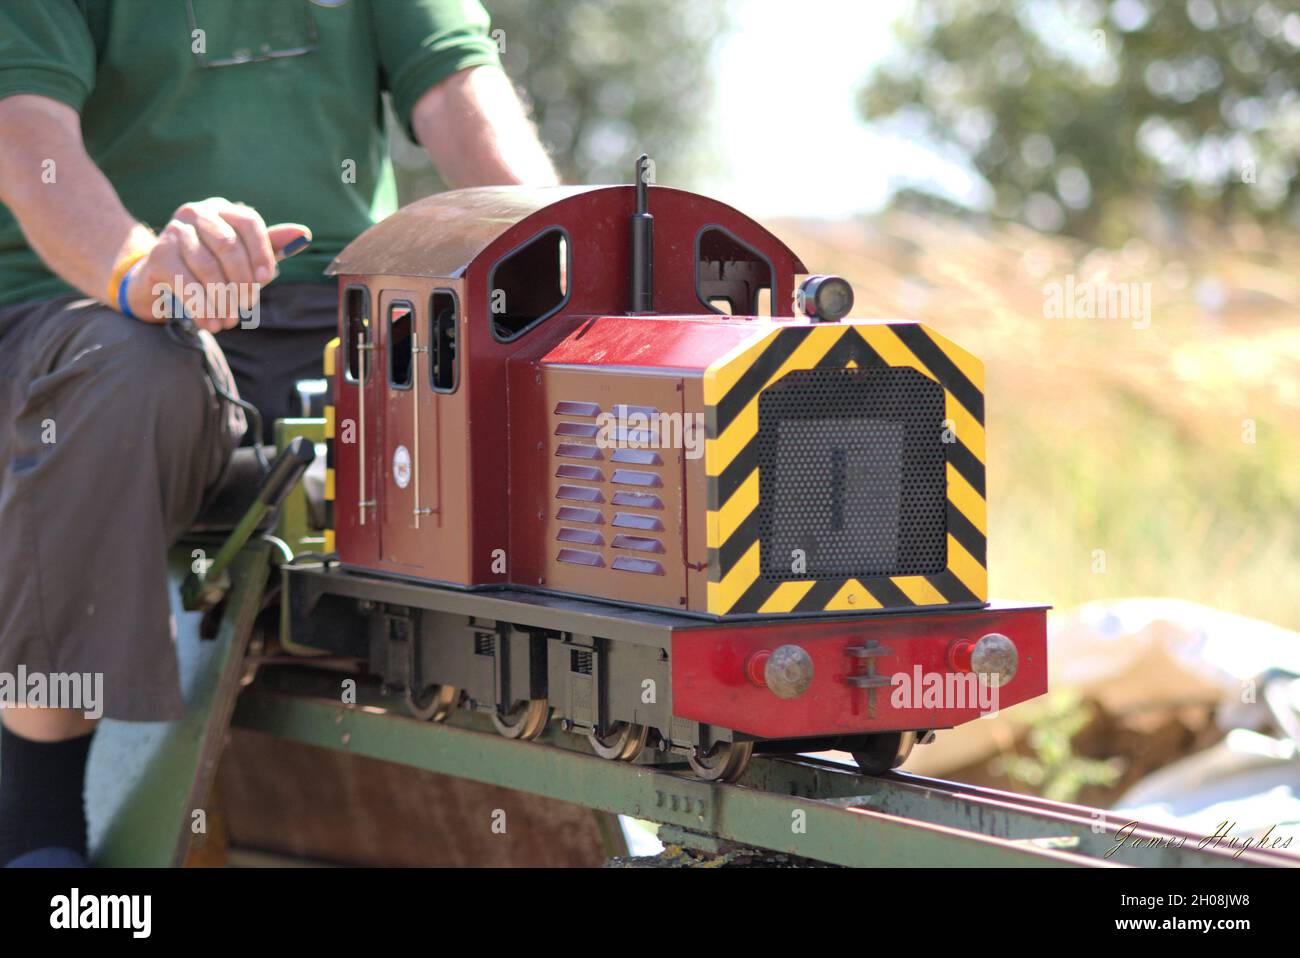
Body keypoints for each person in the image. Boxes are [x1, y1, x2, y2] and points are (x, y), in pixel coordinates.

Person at [0, 0, 557, 867]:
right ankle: (34, 818)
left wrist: (568, 270)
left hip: (324, 301)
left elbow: (456, 89)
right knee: (130, 373)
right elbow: (28, 135)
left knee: (506, 365)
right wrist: (139, 272)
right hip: (85, 308)